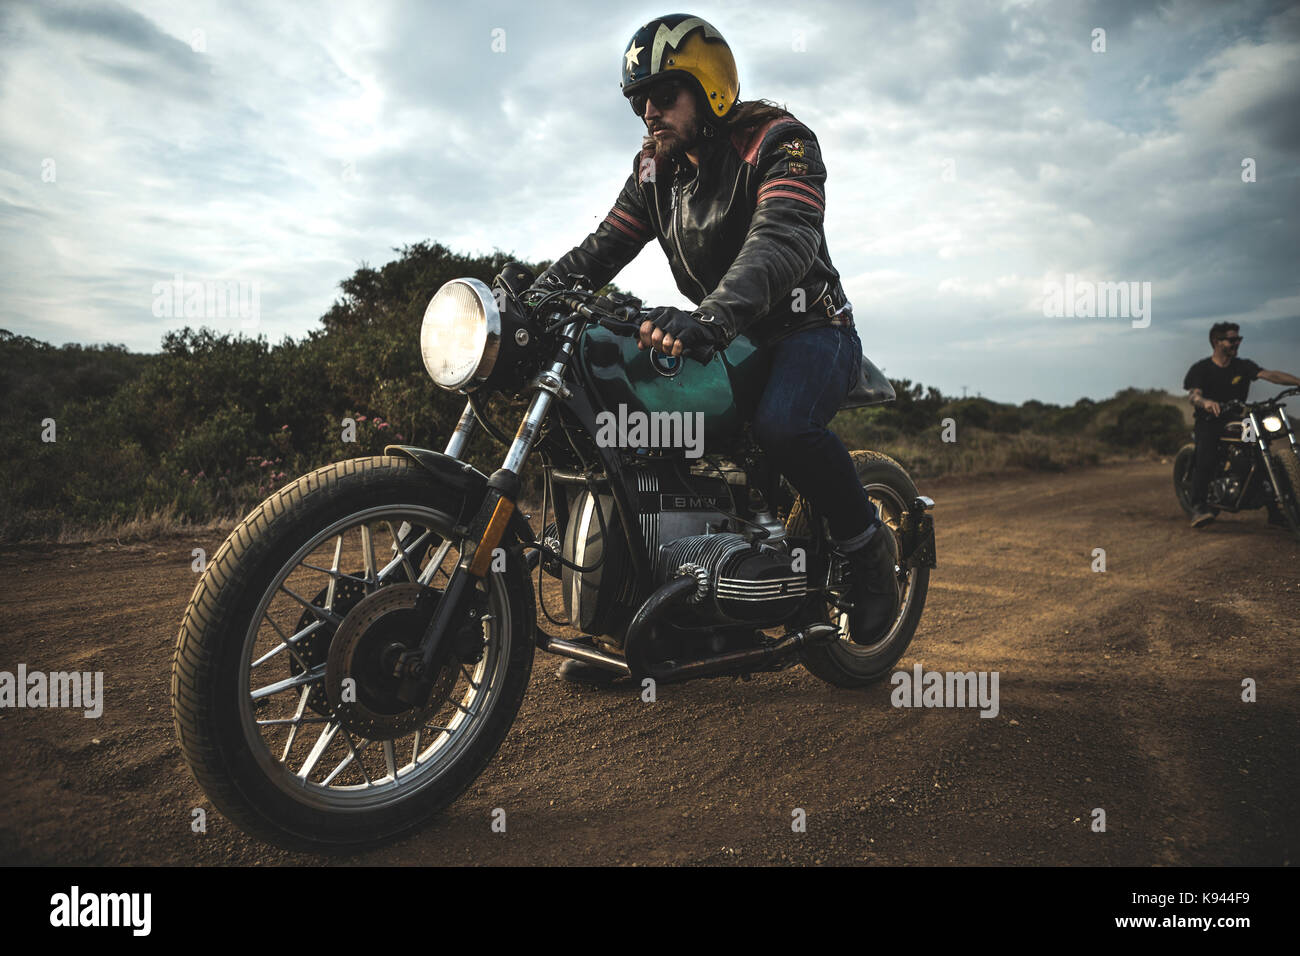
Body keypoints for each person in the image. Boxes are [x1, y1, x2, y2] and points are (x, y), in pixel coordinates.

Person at [528, 14, 899, 681]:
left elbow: (783, 240)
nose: (648, 111)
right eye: (639, 99)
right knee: (638, 432)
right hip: (729, 336)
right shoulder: (655, 172)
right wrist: (524, 307)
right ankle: (668, 625)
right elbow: (600, 250)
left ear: (711, 89)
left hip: (810, 330)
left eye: (664, 93)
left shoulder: (779, 143)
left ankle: (867, 548)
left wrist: (715, 315)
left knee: (784, 427)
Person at [1182, 321, 1300, 527]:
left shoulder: (1242, 366)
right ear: (1216, 342)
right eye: (1232, 339)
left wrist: (1298, 381)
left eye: (1239, 339)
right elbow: (1194, 395)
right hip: (1210, 421)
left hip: (1240, 420)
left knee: (1261, 455)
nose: (1237, 343)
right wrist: (1206, 403)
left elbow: (1270, 375)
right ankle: (1199, 506)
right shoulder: (1201, 368)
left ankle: (1275, 511)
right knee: (1206, 457)